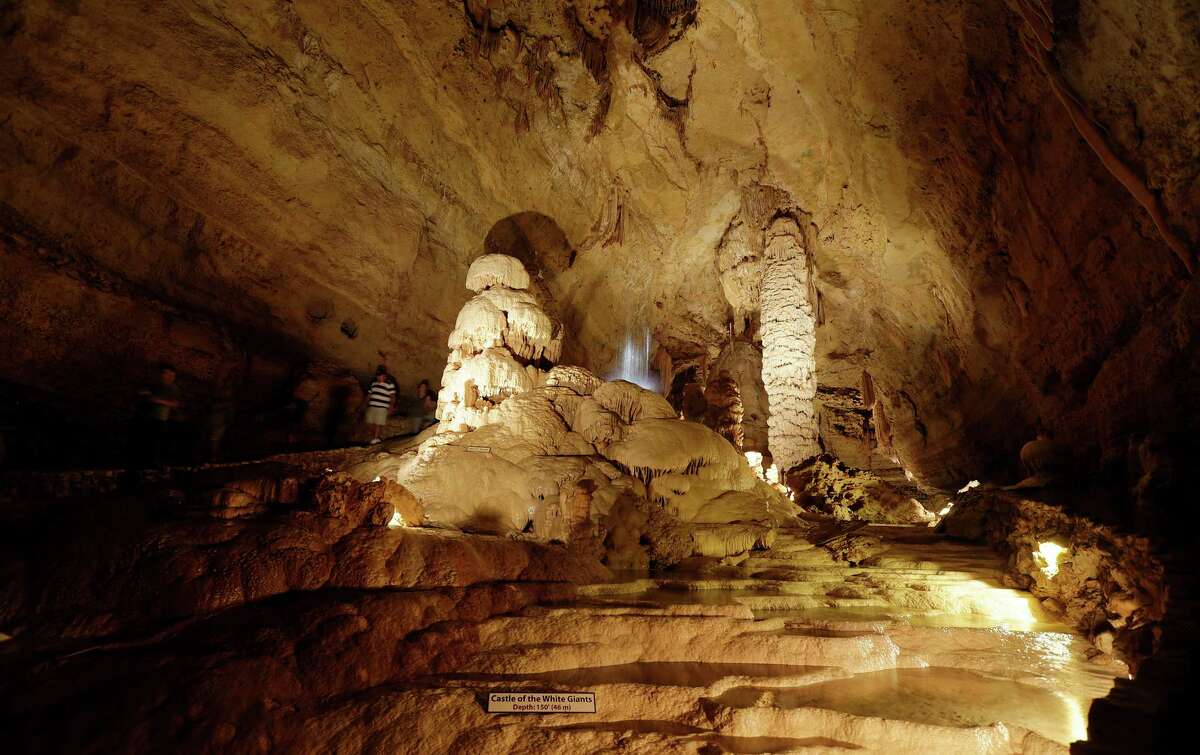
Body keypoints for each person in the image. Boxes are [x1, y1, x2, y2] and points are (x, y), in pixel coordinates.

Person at [135, 364, 182, 467]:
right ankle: (141, 461)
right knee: (144, 439)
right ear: (161, 374)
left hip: (162, 418)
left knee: (157, 441)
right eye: (167, 374)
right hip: (145, 417)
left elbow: (176, 403)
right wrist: (165, 402)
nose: (170, 377)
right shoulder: (151, 384)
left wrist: (169, 405)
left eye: (172, 375)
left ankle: (153, 462)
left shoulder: (174, 389)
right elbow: (145, 397)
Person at [364, 366, 396, 445]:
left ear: (384, 376)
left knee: (378, 422)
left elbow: (393, 396)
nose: (379, 377)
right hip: (372, 406)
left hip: (382, 407)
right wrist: (365, 403)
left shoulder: (389, 384)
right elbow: (369, 394)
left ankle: (375, 438)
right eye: (378, 375)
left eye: (381, 375)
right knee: (370, 422)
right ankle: (375, 438)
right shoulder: (373, 383)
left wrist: (391, 406)